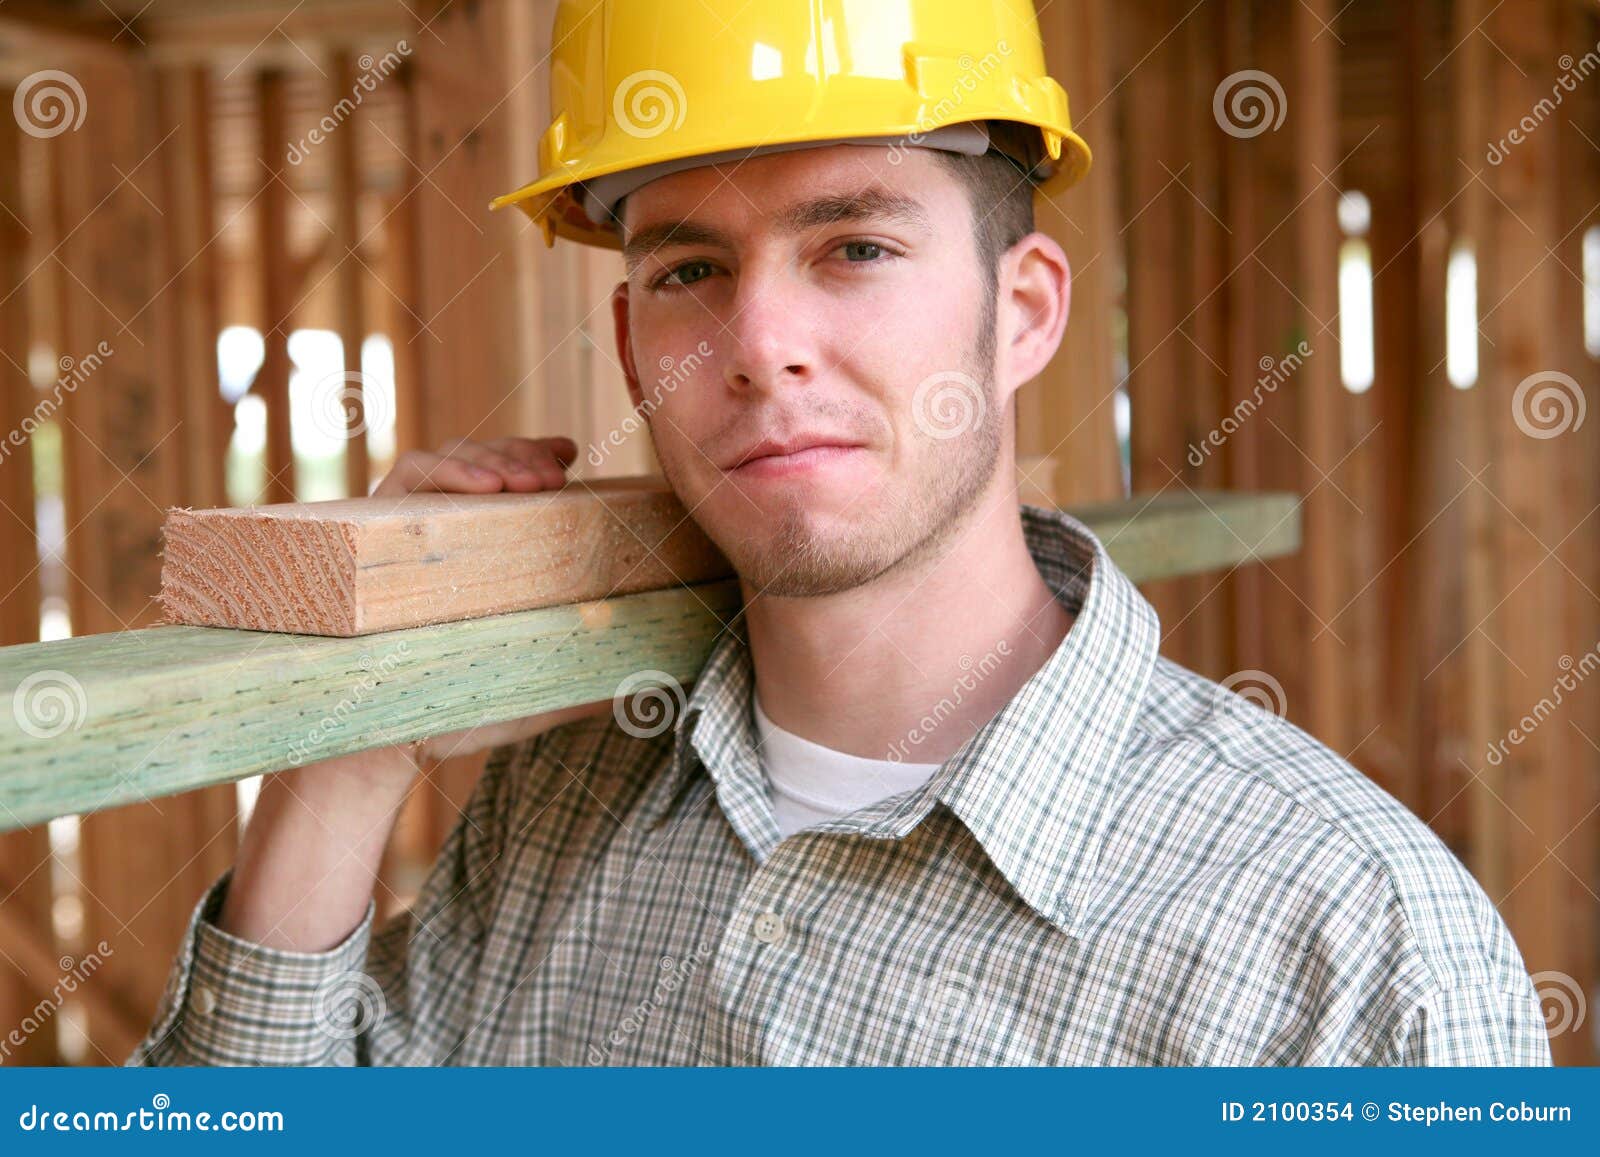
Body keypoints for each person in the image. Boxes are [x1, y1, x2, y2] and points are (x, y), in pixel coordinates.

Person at [128, 0, 1550, 1066]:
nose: (758, 344)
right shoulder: (552, 819)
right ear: (632, 349)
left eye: (854, 248)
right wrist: (348, 750)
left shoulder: (1349, 942)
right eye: (690, 268)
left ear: (1026, 310)